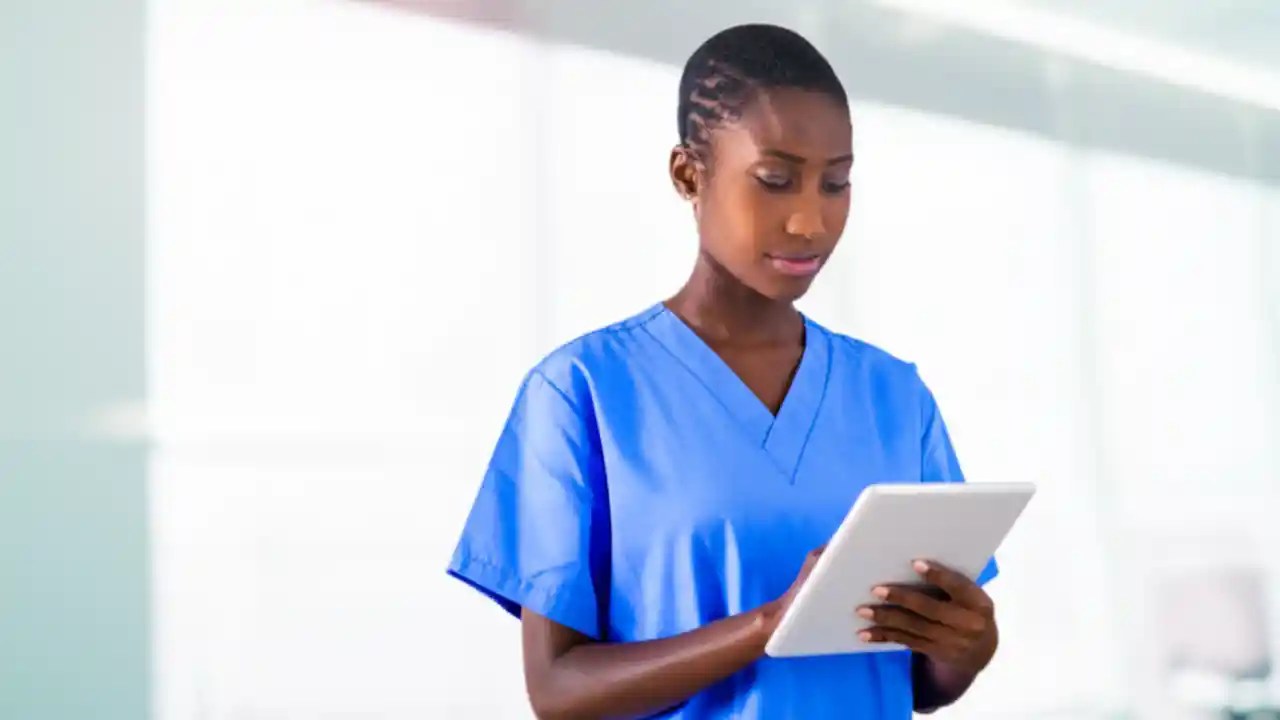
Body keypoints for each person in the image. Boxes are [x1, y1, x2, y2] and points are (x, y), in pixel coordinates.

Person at [448, 23, 1001, 719]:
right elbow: (559, 692)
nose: (811, 221)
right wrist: (765, 628)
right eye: (775, 181)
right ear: (689, 174)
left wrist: (966, 648)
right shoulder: (581, 392)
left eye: (836, 183)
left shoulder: (893, 396)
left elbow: (918, 684)